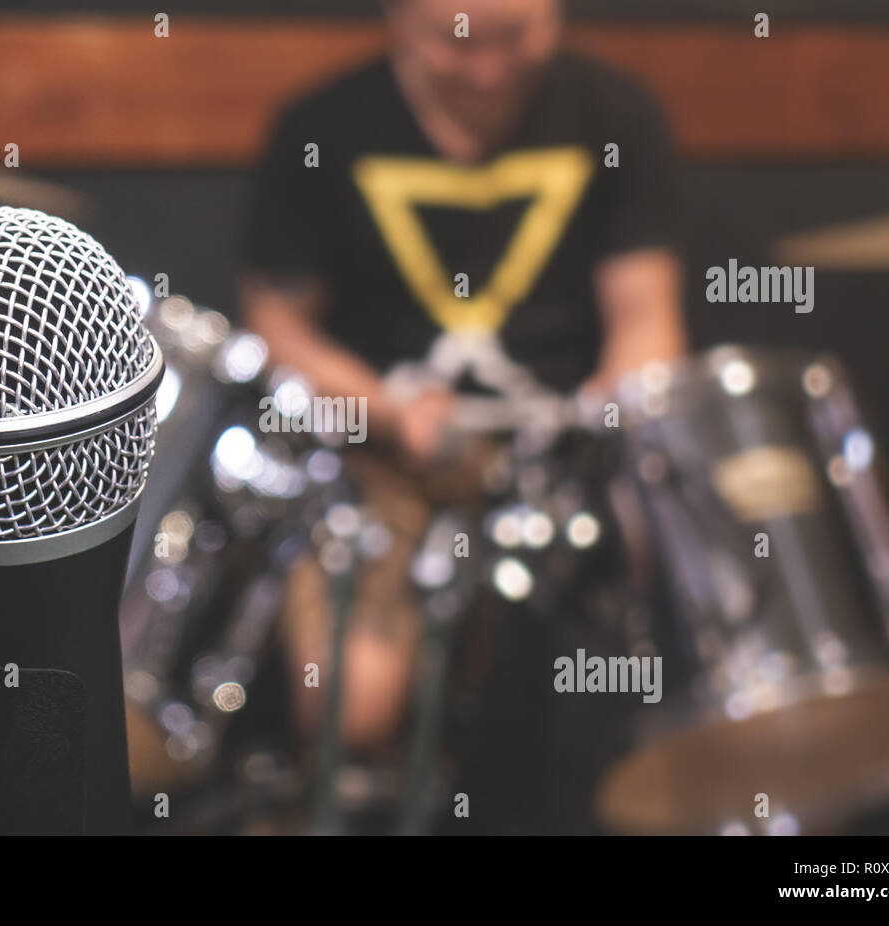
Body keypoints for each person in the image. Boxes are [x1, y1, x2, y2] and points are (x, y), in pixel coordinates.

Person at [238, 0, 686, 832]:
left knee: (645, 678)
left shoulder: (617, 112)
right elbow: (277, 322)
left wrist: (611, 418)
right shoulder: (323, 123)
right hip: (388, 456)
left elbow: (646, 317)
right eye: (458, 40)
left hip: (567, 459)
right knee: (349, 703)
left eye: (516, 36)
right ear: (400, 22)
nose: (488, 67)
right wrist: (385, 411)